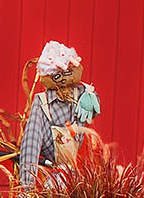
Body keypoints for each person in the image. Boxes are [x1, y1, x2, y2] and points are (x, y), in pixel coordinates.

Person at [18, 40, 101, 186]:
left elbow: (95, 110)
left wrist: (91, 98)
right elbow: (31, 144)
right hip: (53, 170)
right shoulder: (42, 103)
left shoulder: (81, 94)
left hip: (75, 170)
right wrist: (27, 187)